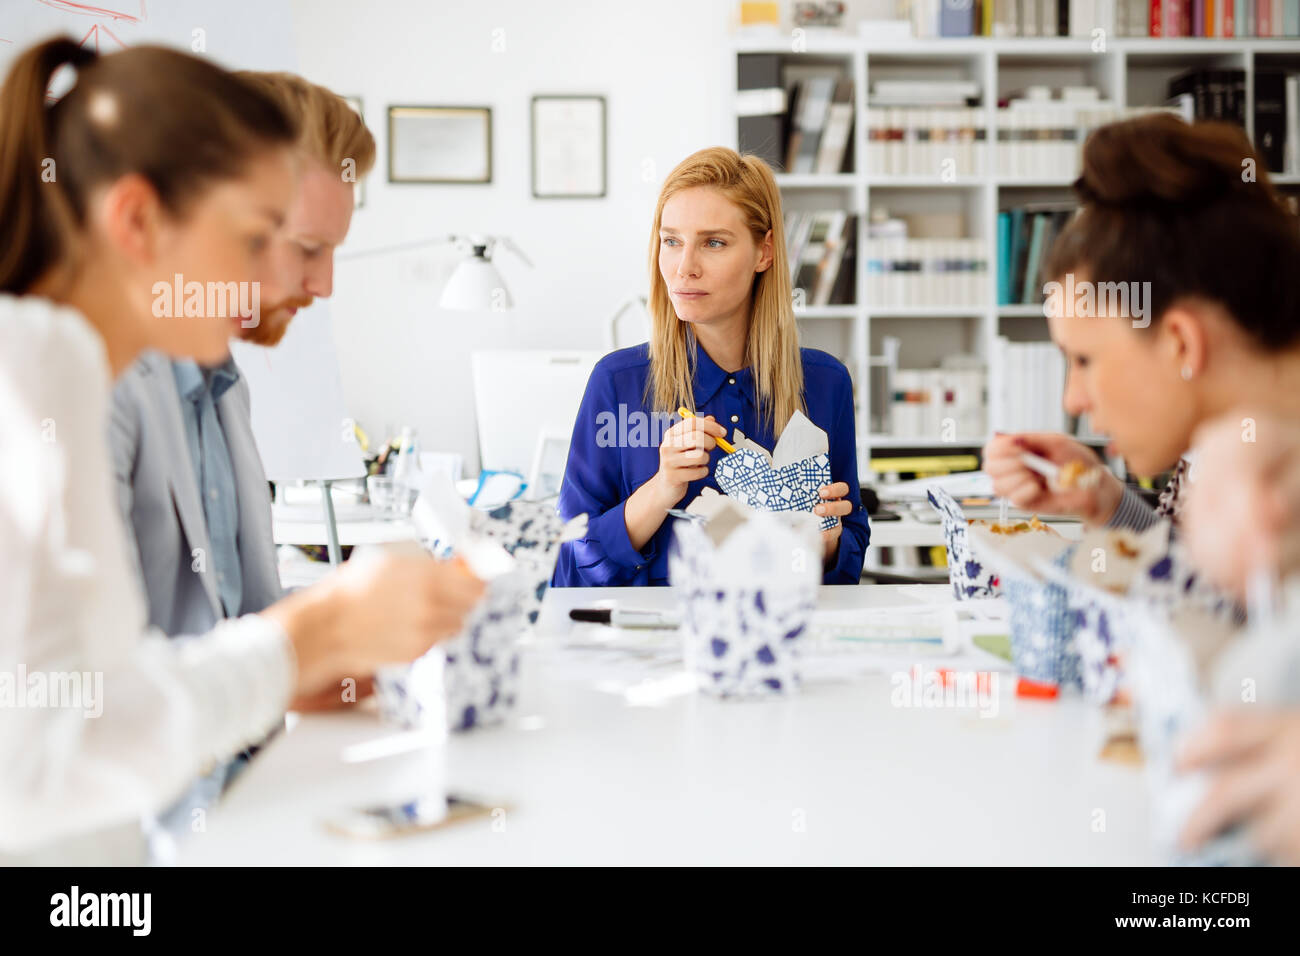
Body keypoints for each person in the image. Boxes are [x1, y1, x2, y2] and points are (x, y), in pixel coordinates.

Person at [0, 38, 484, 863]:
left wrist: (323, 647)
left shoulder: (65, 364)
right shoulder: (32, 371)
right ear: (139, 222)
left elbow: (99, 697)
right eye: (260, 237)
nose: (287, 283)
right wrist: (312, 637)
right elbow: (40, 765)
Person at [106, 72, 378, 829]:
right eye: (306, 249)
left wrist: (355, 650)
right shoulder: (102, 385)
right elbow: (88, 702)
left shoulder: (223, 383)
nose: (323, 285)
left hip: (240, 809)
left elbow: (239, 621)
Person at [552, 147, 868, 587]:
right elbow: (570, 563)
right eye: (672, 241)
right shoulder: (618, 383)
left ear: (764, 252)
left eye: (713, 243)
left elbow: (847, 557)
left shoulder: (825, 383)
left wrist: (826, 537)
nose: (684, 269)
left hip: (781, 636)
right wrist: (662, 488)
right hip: (652, 648)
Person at [981, 114, 1300, 536]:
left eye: (1084, 359)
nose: (1072, 400)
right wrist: (1106, 503)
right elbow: (1206, 597)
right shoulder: (1230, 453)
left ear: (1180, 343)